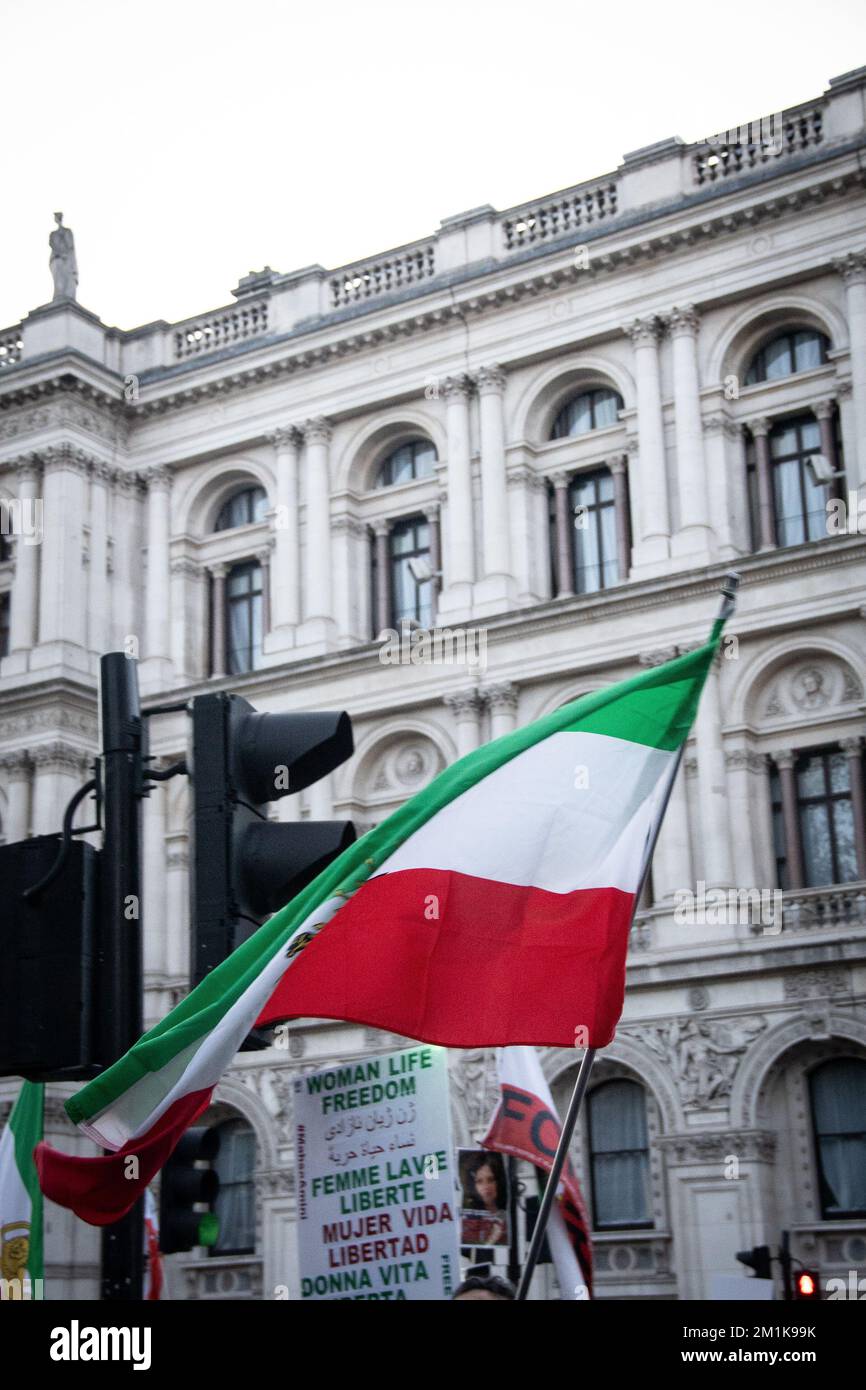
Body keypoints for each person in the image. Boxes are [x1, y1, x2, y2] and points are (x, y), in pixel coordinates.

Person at [460, 1152, 508, 1246]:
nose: (486, 1187)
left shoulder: (511, 1214)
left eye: (490, 1180)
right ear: (473, 1186)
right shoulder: (469, 1221)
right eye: (479, 1181)